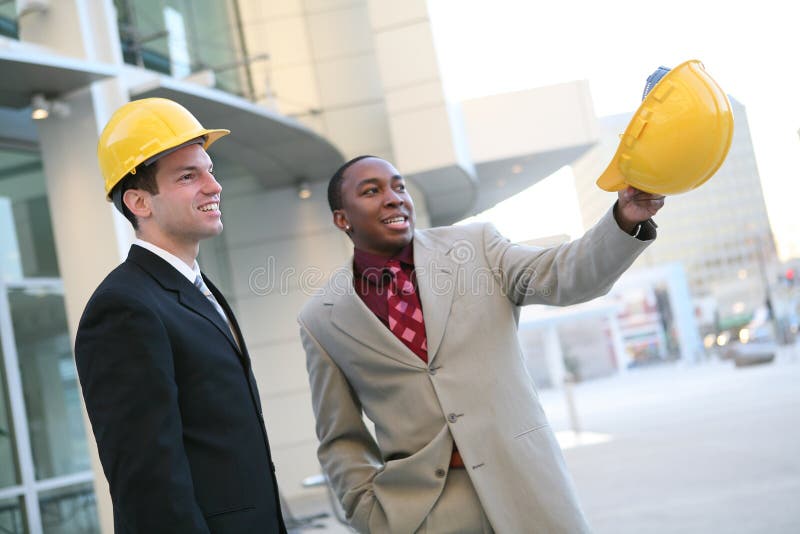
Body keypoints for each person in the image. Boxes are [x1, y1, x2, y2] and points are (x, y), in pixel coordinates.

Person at [298, 155, 665, 533]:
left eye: (399, 186)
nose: (393, 198)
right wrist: (367, 512)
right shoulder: (321, 318)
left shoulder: (476, 246)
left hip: (526, 489)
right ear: (342, 218)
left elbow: (564, 273)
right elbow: (339, 436)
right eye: (372, 191)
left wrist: (624, 218)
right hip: (423, 515)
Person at [75, 98, 286, 533]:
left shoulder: (198, 290)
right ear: (139, 201)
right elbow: (147, 483)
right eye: (189, 176)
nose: (214, 186)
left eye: (209, 170)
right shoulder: (124, 309)